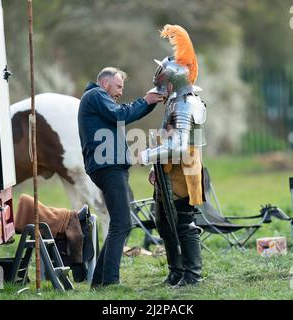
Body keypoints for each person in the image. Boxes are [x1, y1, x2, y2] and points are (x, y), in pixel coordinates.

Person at [78, 67, 164, 288]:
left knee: (121, 224)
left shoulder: (97, 99)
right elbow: (120, 115)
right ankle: (110, 282)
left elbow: (122, 114)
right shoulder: (95, 95)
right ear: (105, 83)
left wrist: (149, 103)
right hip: (109, 168)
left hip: (109, 168)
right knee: (122, 224)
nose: (119, 93)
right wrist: (145, 101)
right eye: (118, 87)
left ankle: (99, 283)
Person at [140, 24, 207, 287]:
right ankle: (176, 272)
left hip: (184, 169)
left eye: (165, 83)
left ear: (174, 81)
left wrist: (148, 154)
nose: (162, 88)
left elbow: (179, 145)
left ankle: (192, 275)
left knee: (183, 222)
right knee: (164, 221)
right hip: (168, 169)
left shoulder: (186, 103)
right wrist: (155, 166)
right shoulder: (174, 102)